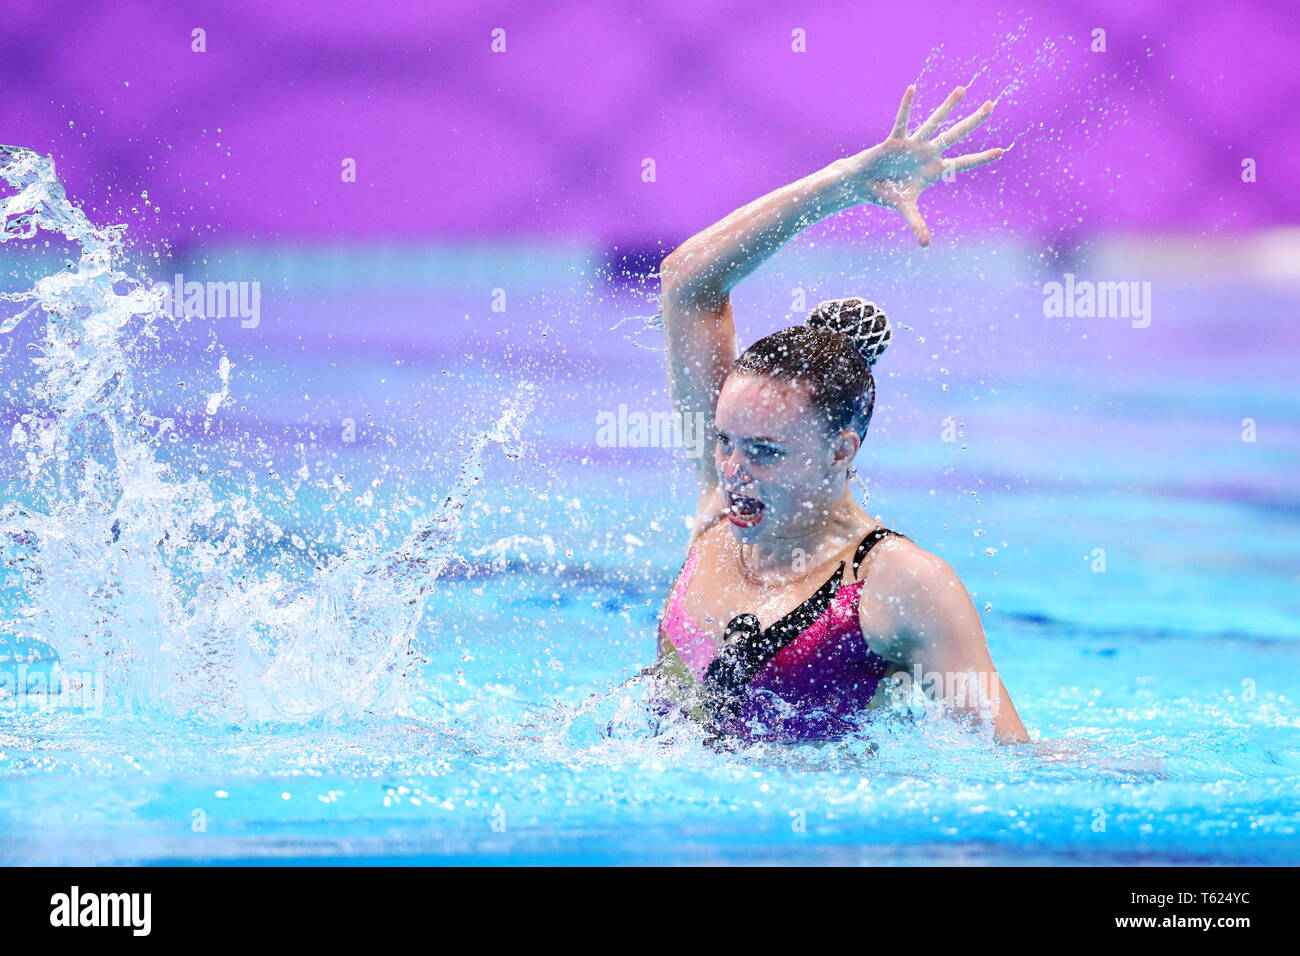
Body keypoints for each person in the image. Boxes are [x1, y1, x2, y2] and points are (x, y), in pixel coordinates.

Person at [652, 85, 1029, 745]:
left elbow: (1008, 763)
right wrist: (845, 184)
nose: (736, 471)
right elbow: (687, 282)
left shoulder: (900, 583)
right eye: (724, 442)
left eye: (767, 452)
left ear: (841, 449)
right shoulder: (720, 502)